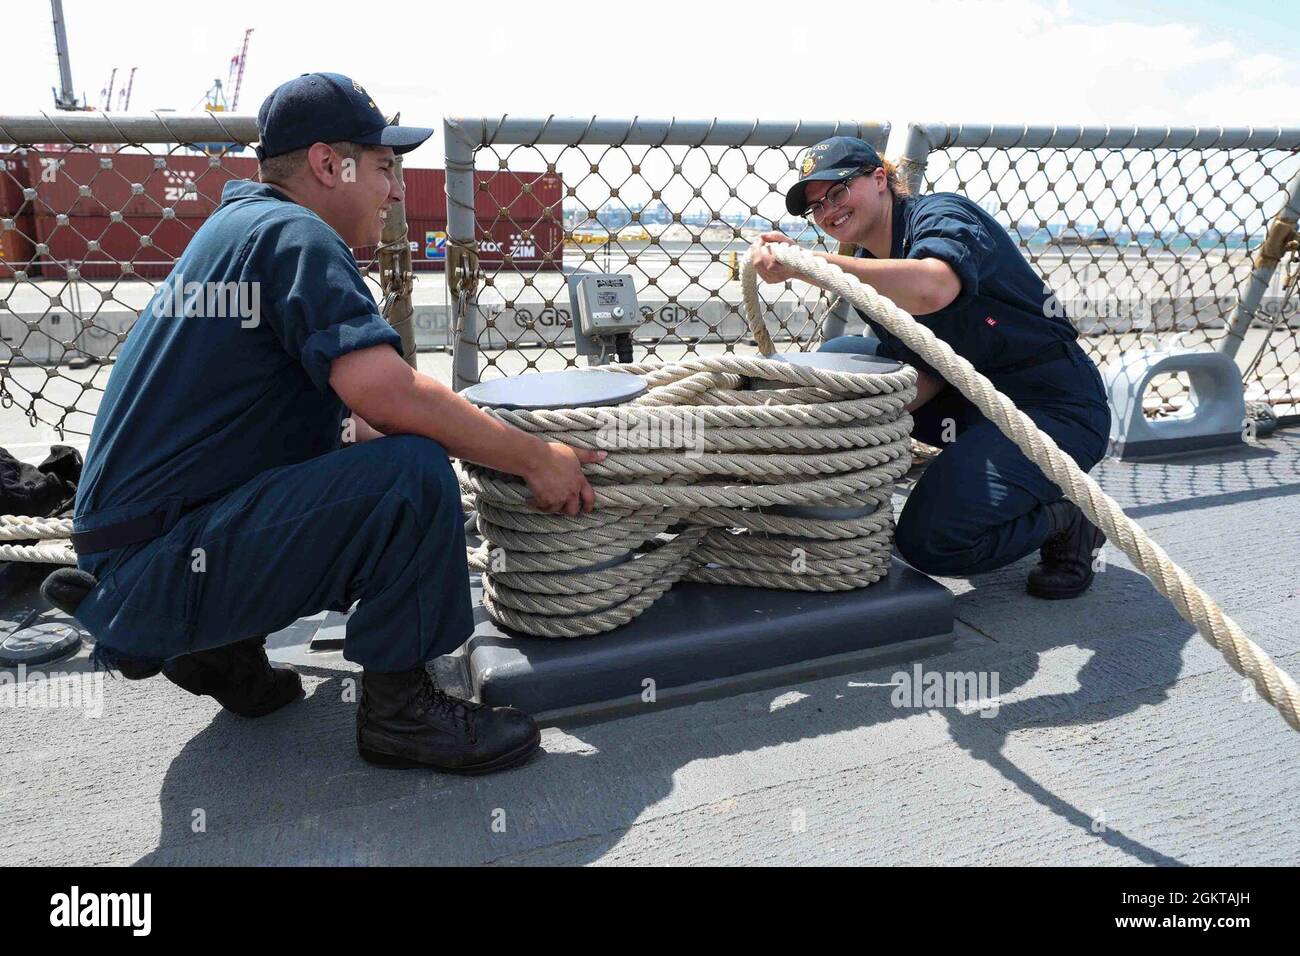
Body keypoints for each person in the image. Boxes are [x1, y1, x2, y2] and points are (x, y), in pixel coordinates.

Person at [70, 73, 603, 774]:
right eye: (384, 168)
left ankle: (218, 649)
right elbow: (385, 392)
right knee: (411, 478)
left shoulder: (237, 229)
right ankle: (401, 712)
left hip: (133, 561)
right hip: (155, 572)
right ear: (329, 164)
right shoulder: (295, 235)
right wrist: (532, 457)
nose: (392, 192)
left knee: (391, 458)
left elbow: (319, 430)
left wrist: (475, 438)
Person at [750, 136, 1111, 598]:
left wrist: (808, 265)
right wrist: (836, 436)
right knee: (845, 359)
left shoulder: (943, 215)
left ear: (880, 180)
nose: (827, 211)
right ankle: (977, 465)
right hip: (974, 403)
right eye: (815, 207)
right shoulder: (865, 263)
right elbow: (923, 371)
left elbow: (933, 288)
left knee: (931, 543)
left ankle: (1067, 519)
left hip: (1053, 409)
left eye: (837, 192)